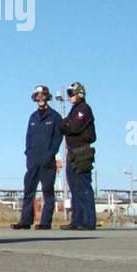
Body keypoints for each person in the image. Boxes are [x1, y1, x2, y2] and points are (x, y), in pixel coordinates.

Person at [10, 86, 64, 230]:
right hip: (33, 160)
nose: (40, 99)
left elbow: (58, 138)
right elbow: (28, 137)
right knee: (29, 190)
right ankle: (25, 221)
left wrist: (50, 154)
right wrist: (28, 152)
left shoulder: (55, 117)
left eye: (43, 96)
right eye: (38, 96)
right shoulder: (33, 117)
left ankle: (45, 222)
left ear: (47, 97)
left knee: (48, 192)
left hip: (47, 161)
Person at [60, 82, 97, 230]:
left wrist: (66, 125)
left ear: (80, 93)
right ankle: (77, 221)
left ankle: (89, 221)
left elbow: (74, 127)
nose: (69, 97)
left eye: (71, 93)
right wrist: (66, 125)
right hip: (72, 151)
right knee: (74, 187)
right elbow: (64, 127)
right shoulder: (74, 110)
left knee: (83, 186)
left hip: (82, 151)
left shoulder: (84, 109)